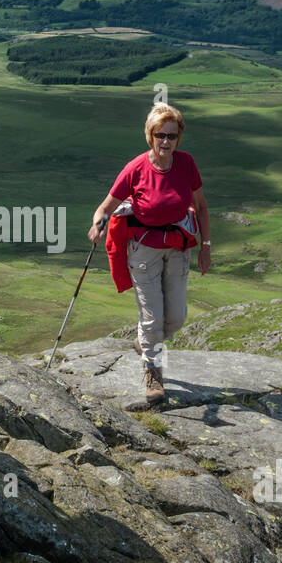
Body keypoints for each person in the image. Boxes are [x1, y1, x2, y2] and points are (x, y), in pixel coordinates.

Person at [87, 102, 211, 404]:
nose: (166, 141)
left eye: (172, 135)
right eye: (160, 135)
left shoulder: (187, 164)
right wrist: (98, 223)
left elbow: (202, 207)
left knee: (177, 318)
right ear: (150, 136)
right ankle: (154, 372)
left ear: (178, 137)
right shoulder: (136, 168)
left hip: (178, 249)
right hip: (143, 251)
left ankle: (145, 343)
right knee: (152, 316)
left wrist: (205, 247)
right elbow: (106, 206)